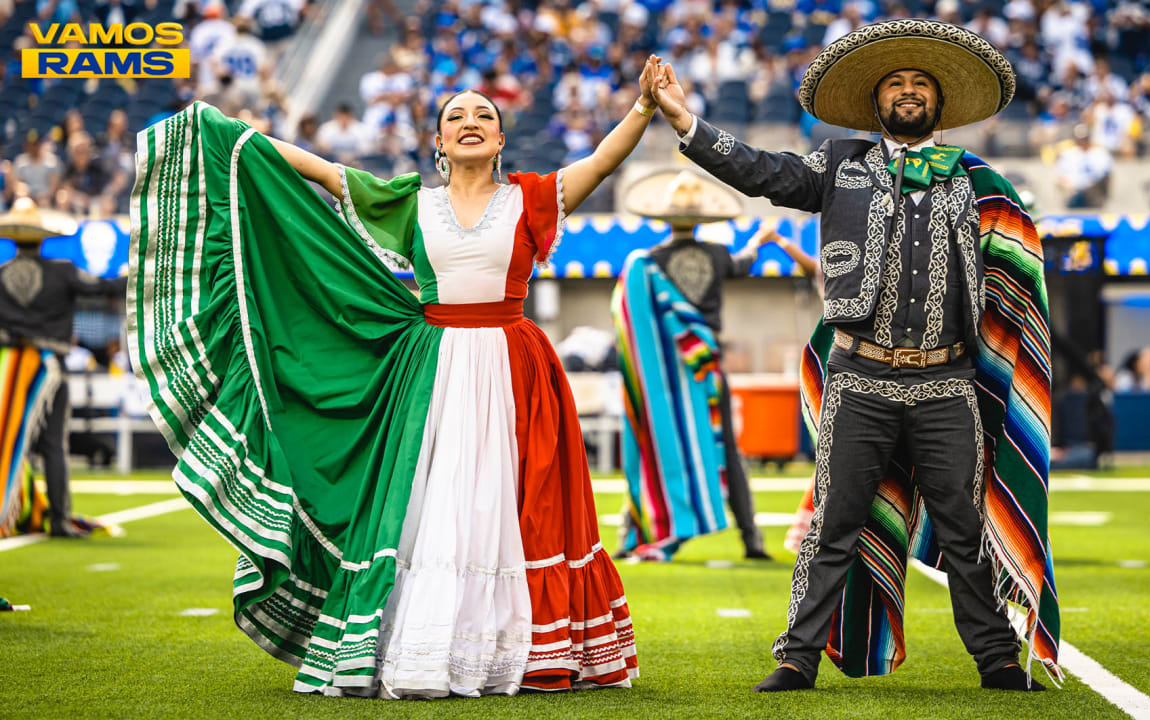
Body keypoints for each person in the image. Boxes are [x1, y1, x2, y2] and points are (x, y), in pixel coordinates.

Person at [128, 60, 667, 698]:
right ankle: (423, 644)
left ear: (500, 141)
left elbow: (602, 161)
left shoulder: (533, 196)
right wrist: (240, 139)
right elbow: (324, 174)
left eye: (484, 116)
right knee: (433, 508)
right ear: (437, 143)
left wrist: (643, 107)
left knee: (516, 502)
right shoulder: (412, 203)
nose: (470, 123)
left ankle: (522, 647)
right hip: (432, 370)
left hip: (517, 369)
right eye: (455, 118)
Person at [647, 20, 1062, 693]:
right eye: (894, 83)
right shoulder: (839, 165)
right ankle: (797, 658)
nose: (906, 91)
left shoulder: (979, 181)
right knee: (832, 523)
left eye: (918, 83)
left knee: (964, 527)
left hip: (948, 381)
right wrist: (686, 123)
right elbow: (761, 172)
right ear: (876, 102)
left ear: (938, 102)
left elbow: (1018, 275)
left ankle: (996, 662)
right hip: (859, 376)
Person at [612, 169, 770, 561]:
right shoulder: (717, 255)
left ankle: (631, 535)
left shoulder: (649, 262)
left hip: (665, 374)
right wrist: (760, 241)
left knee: (656, 443)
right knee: (726, 448)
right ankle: (751, 540)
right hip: (707, 367)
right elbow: (744, 263)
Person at [0, 198, 125, 538]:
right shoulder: (62, 270)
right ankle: (58, 518)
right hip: (46, 366)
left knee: (8, 441)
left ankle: (13, 509)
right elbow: (103, 289)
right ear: (42, 237)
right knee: (53, 443)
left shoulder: (1, 275)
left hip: (7, 368)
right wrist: (135, 273)